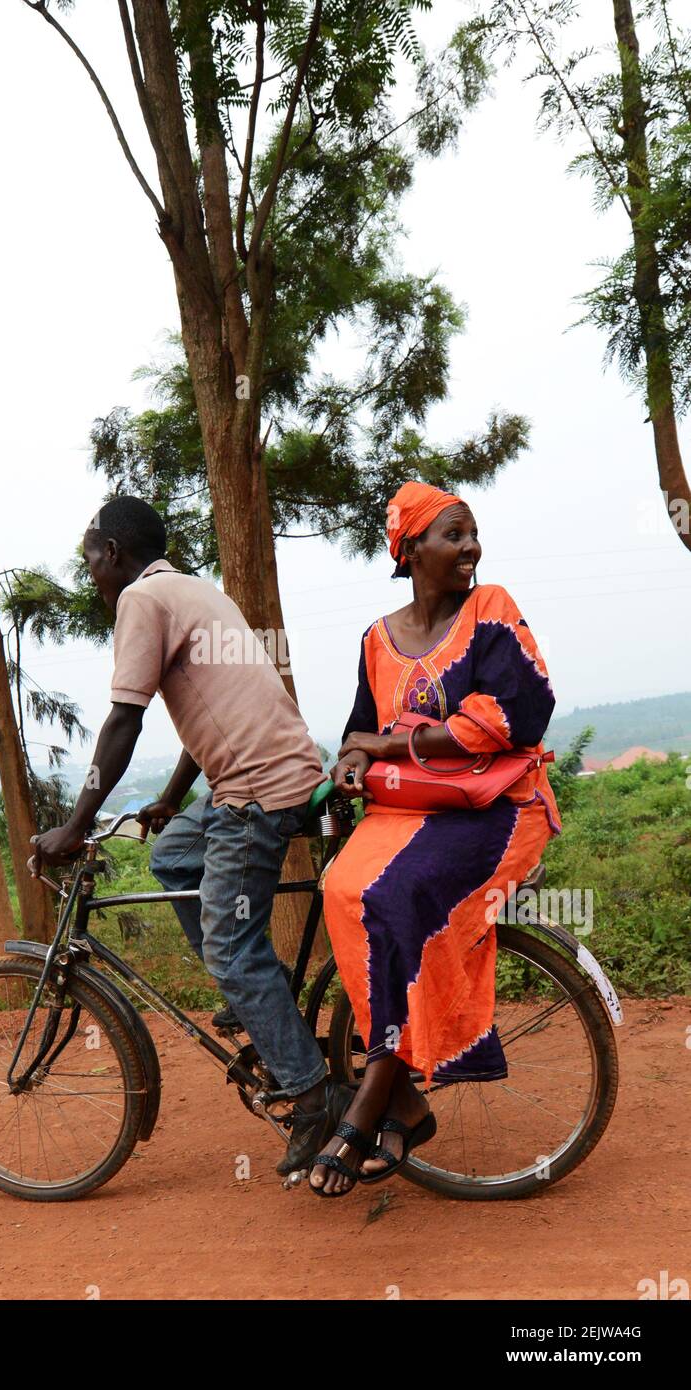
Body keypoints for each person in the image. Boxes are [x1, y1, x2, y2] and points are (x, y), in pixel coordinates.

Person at [29, 495, 352, 1177]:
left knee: (233, 954)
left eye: (91, 556)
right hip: (290, 774)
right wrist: (172, 800)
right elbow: (204, 708)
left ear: (113, 551)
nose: (90, 571)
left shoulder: (141, 601)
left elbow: (125, 721)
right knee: (175, 853)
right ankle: (255, 1007)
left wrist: (76, 824)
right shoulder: (194, 590)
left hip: (254, 794)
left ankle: (313, 1094)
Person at [309, 481, 561, 1197]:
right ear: (410, 548)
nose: (471, 548)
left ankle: (374, 1093)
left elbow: (515, 715)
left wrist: (390, 743)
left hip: (497, 808)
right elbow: (362, 730)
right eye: (454, 535)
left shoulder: (491, 612)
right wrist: (358, 759)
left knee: (401, 893)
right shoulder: (375, 639)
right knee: (343, 891)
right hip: (405, 815)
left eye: (473, 534)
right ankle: (406, 1101)